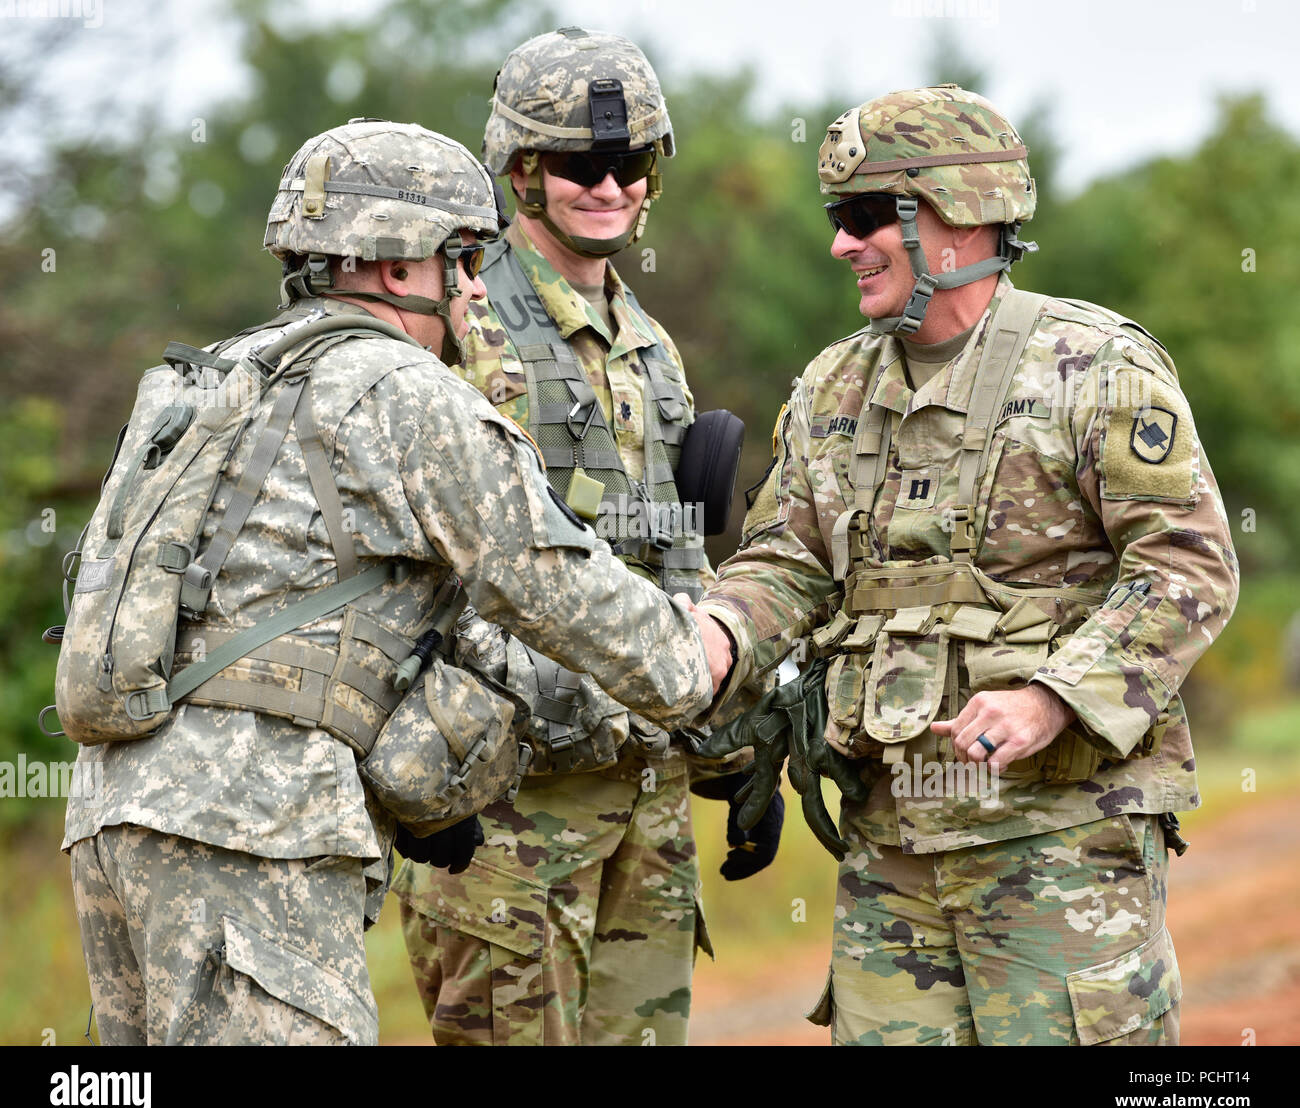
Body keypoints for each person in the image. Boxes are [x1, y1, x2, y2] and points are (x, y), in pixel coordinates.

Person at [58, 119, 721, 1046]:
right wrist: (707, 658)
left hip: (112, 820)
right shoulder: (402, 390)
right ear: (404, 265)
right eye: (467, 259)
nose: (479, 289)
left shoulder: (211, 378)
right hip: (259, 829)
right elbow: (551, 586)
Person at [691, 85, 1239, 1046]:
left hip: (1056, 837)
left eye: (867, 217)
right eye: (837, 219)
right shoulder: (831, 388)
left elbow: (1187, 566)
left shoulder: (1093, 367)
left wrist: (1051, 698)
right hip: (889, 844)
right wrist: (715, 635)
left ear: (955, 220)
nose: (841, 246)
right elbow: (786, 558)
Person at [393, 27, 779, 1047]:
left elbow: (681, 560)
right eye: (578, 164)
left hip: (639, 793)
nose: (610, 187)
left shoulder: (647, 343)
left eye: (632, 164)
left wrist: (728, 744)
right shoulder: (454, 317)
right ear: (519, 169)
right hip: (505, 806)